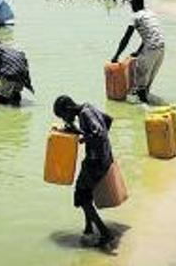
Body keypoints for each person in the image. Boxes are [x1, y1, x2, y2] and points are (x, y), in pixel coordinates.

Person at [53, 95, 115, 248]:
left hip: (95, 162)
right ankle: (88, 228)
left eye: (63, 115)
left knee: (81, 197)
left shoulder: (84, 114)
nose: (65, 119)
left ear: (69, 109)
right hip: (104, 158)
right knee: (85, 192)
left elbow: (98, 134)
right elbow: (108, 120)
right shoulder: (89, 107)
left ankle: (105, 233)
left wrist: (83, 139)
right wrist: (79, 132)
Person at [110, 0, 165, 104]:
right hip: (161, 48)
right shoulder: (150, 14)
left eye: (131, 4)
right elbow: (150, 35)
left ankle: (145, 110)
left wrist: (116, 55)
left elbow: (126, 38)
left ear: (134, 4)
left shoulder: (135, 16)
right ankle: (149, 103)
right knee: (147, 84)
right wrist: (138, 51)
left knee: (140, 86)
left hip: (150, 49)